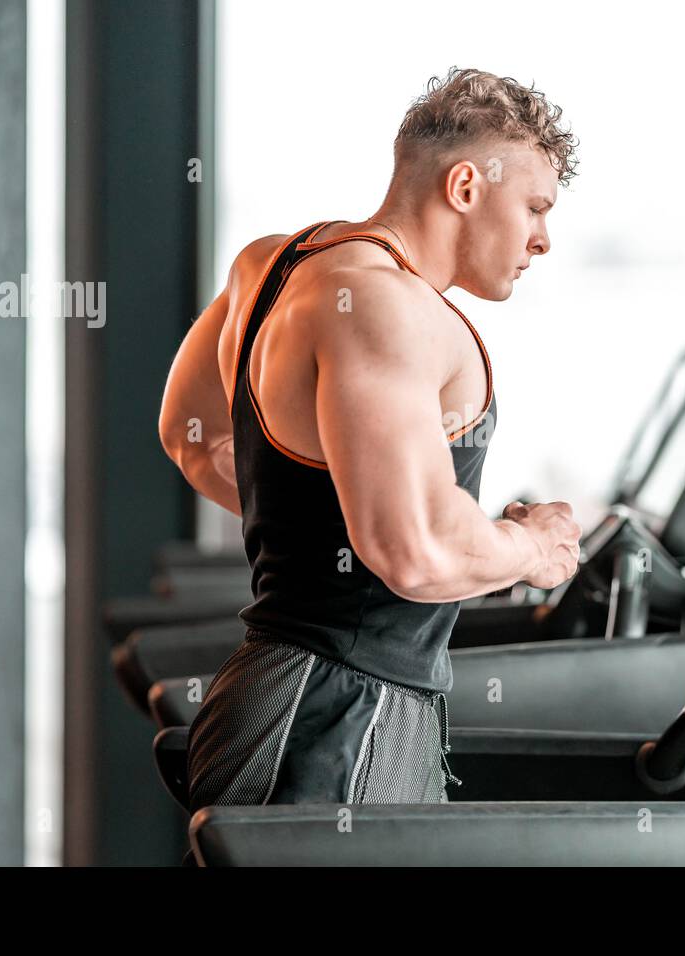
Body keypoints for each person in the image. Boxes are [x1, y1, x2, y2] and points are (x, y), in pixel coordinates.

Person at [159, 67, 583, 810]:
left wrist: (341, 514)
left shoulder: (270, 266)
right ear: (465, 188)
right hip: (342, 716)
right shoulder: (385, 307)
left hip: (268, 697)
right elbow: (415, 553)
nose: (543, 240)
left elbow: (192, 438)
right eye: (535, 208)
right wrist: (534, 550)